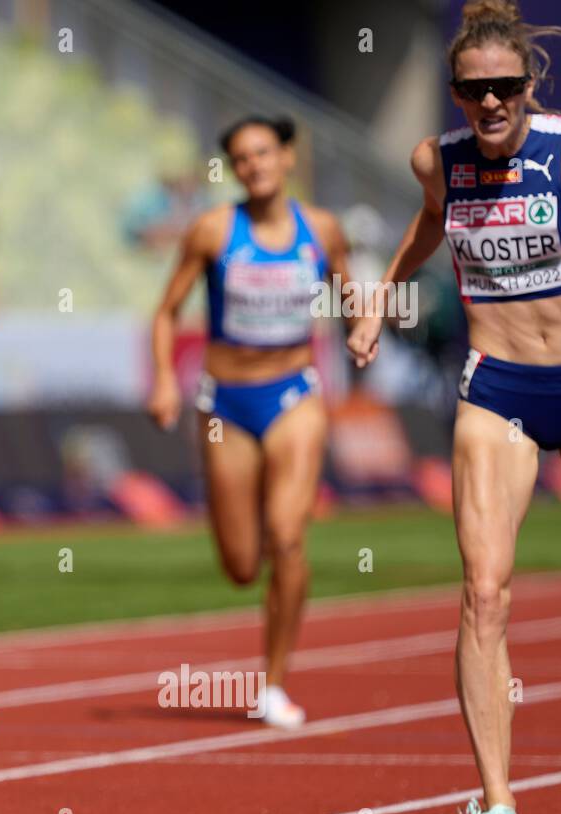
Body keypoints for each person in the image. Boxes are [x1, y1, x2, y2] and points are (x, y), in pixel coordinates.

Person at [347, 0, 561, 814]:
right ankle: (501, 805)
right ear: (454, 93)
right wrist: (378, 302)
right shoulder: (435, 160)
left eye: (505, 87)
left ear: (528, 84)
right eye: (473, 91)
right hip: (498, 385)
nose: (490, 104)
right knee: (483, 593)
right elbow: (429, 224)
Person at [148, 116, 350, 729]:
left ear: (287, 157)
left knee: (288, 536)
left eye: (263, 153)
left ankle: (275, 684)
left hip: (295, 395)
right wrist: (163, 380)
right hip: (225, 406)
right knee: (241, 565)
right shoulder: (213, 230)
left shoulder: (322, 229)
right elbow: (166, 311)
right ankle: (264, 553)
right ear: (232, 169)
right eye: (240, 158)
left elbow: (350, 297)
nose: (254, 165)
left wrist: (366, 323)